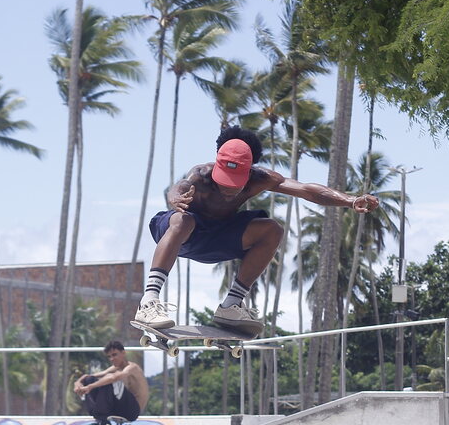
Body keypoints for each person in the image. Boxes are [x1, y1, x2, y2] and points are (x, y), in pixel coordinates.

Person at [134, 125, 380, 336]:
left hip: (217, 239)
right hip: (180, 234)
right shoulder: (201, 176)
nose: (228, 189)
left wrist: (349, 200)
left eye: (235, 183)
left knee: (272, 230)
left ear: (248, 172)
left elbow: (307, 190)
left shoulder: (261, 178)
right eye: (223, 180)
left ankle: (231, 305)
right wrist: (175, 198)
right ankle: (149, 301)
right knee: (183, 221)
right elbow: (180, 187)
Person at [73, 340, 149, 425]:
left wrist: (89, 387)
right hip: (118, 408)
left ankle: (102, 416)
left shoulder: (132, 368)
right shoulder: (115, 368)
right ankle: (101, 419)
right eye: (109, 356)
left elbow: (114, 377)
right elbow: (90, 376)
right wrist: (78, 383)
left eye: (114, 355)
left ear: (123, 353)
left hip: (132, 411)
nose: (112, 359)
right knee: (90, 380)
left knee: (110, 379)